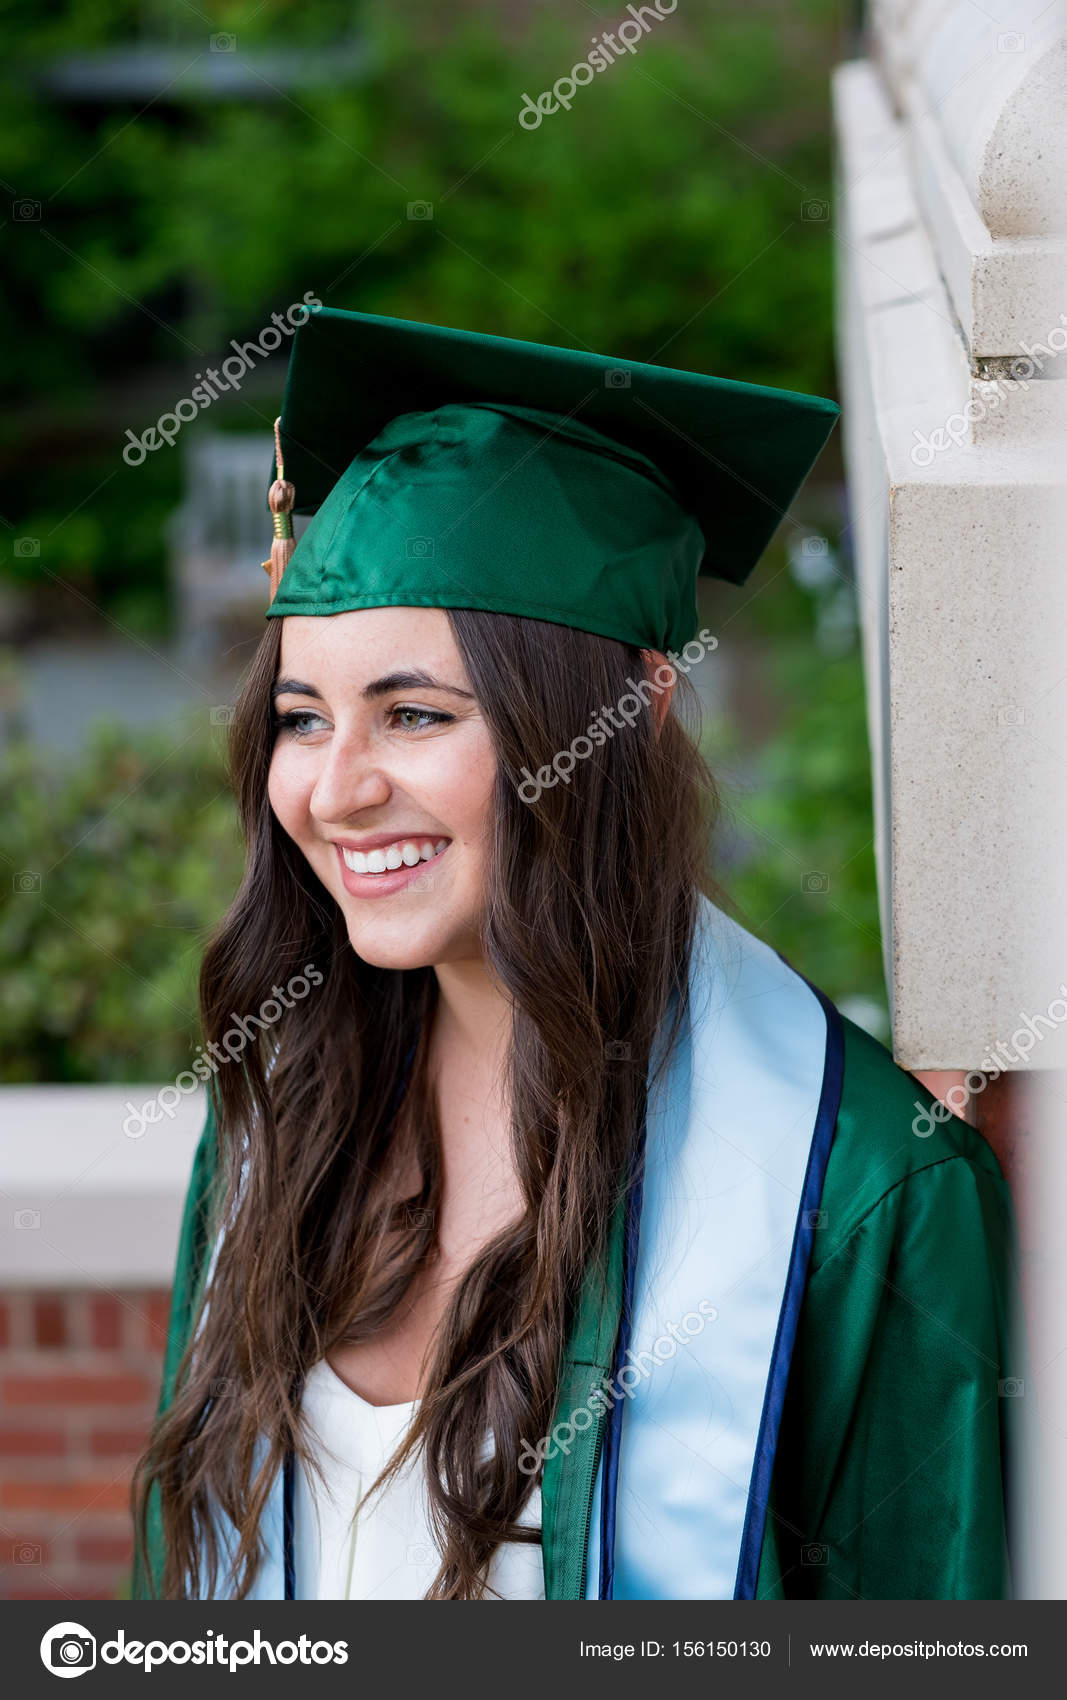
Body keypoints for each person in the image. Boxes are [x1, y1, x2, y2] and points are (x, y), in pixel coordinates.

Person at [131, 307, 1026, 1602]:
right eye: (302, 718)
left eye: (416, 714)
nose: (334, 790)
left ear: (629, 712)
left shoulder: (862, 1194)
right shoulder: (285, 1113)